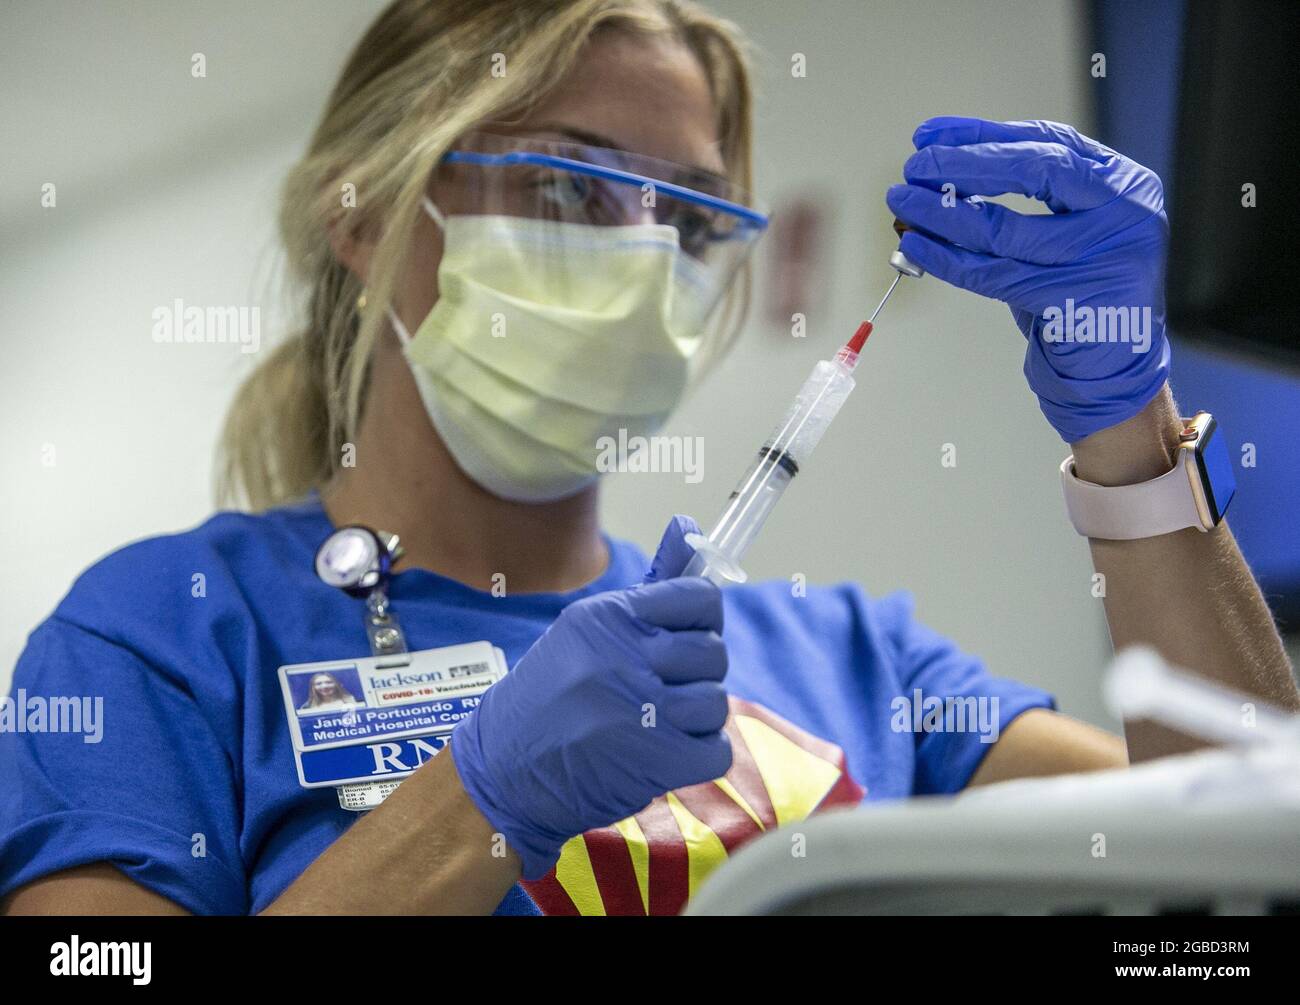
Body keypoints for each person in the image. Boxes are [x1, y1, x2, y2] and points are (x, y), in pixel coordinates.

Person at [1, 0, 1295, 917]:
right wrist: (480, 799)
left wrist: (1130, 433)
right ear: (366, 215)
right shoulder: (164, 632)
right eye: (570, 185)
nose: (636, 249)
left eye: (683, 210)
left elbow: (1237, 836)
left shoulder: (852, 658)